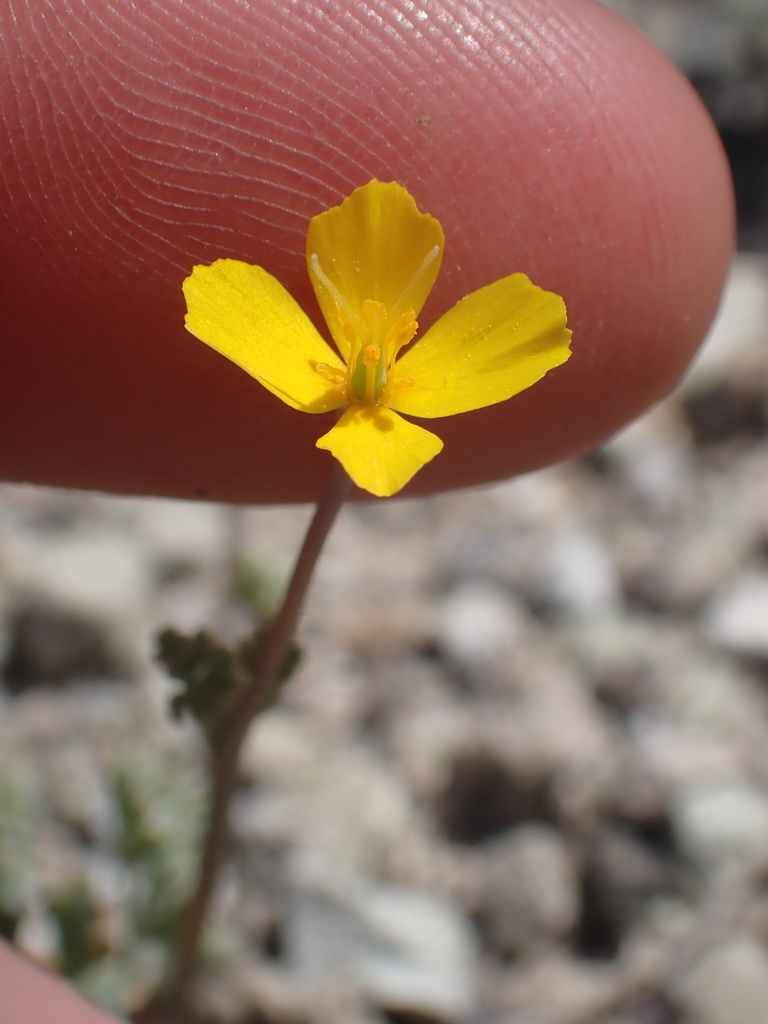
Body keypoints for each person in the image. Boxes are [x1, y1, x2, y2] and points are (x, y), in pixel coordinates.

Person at [0, 0, 733, 1019]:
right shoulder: (334, 384)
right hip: (339, 410)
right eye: (368, 353)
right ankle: (172, 982)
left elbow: (413, 416)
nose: (375, 359)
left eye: (378, 353)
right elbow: (227, 304)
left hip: (376, 429)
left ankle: (182, 971)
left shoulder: (387, 406)